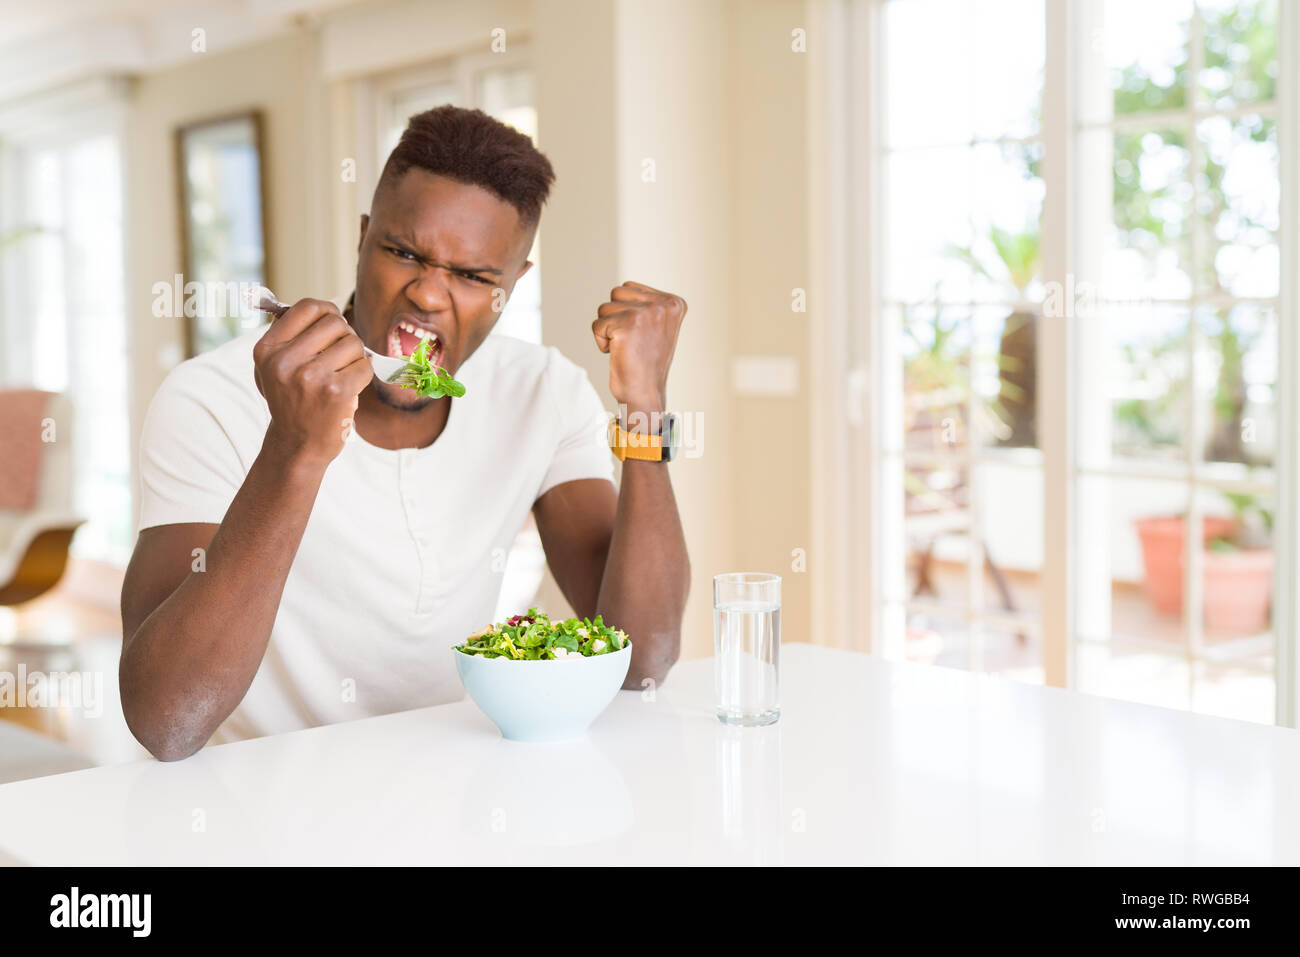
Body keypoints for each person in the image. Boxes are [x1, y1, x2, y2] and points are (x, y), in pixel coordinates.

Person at [119, 106, 690, 760]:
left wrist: (646, 407)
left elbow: (643, 660)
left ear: (513, 285)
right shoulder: (211, 400)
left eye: (475, 276)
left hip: (455, 794)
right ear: (364, 238)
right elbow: (164, 720)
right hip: (261, 810)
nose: (427, 294)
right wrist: (295, 450)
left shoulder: (542, 393)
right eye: (404, 252)